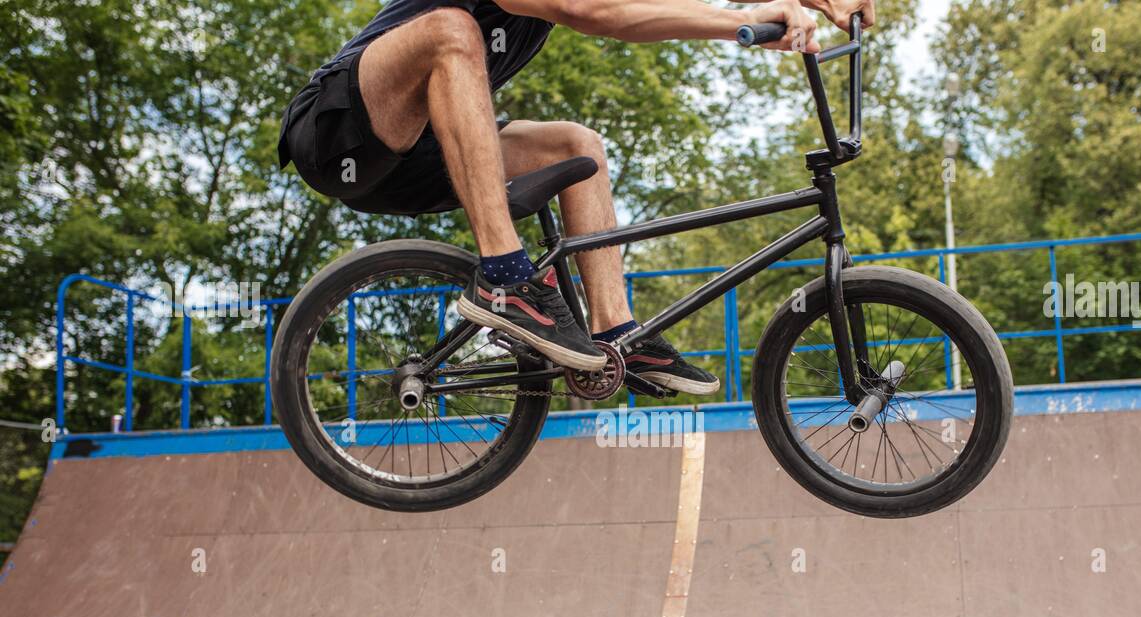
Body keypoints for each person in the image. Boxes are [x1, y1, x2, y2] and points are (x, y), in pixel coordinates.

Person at [279, 0, 876, 393]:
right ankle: (506, 279)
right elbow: (600, 12)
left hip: (430, 156)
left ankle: (619, 334)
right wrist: (737, 19)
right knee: (448, 31)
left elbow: (641, 7)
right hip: (340, 132)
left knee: (576, 146)